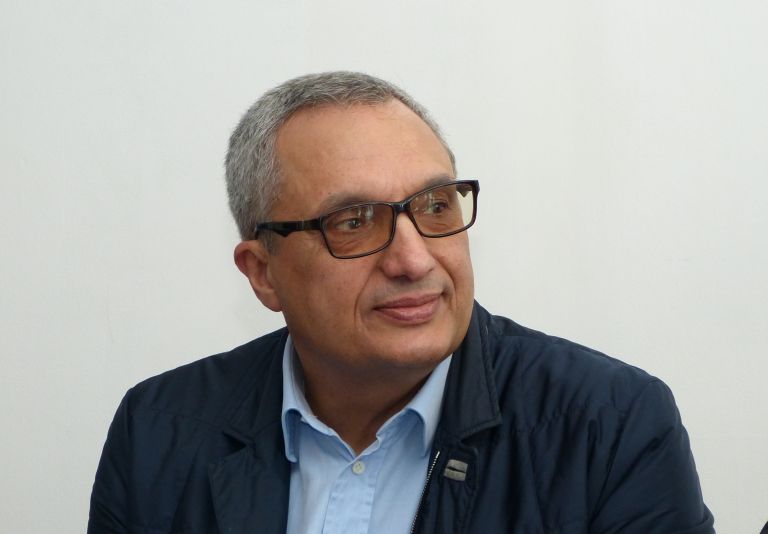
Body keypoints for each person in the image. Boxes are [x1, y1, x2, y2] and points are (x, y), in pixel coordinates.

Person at [88, 72, 715, 533]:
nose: (414, 261)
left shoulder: (609, 425)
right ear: (263, 272)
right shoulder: (161, 431)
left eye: (436, 206)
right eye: (353, 221)